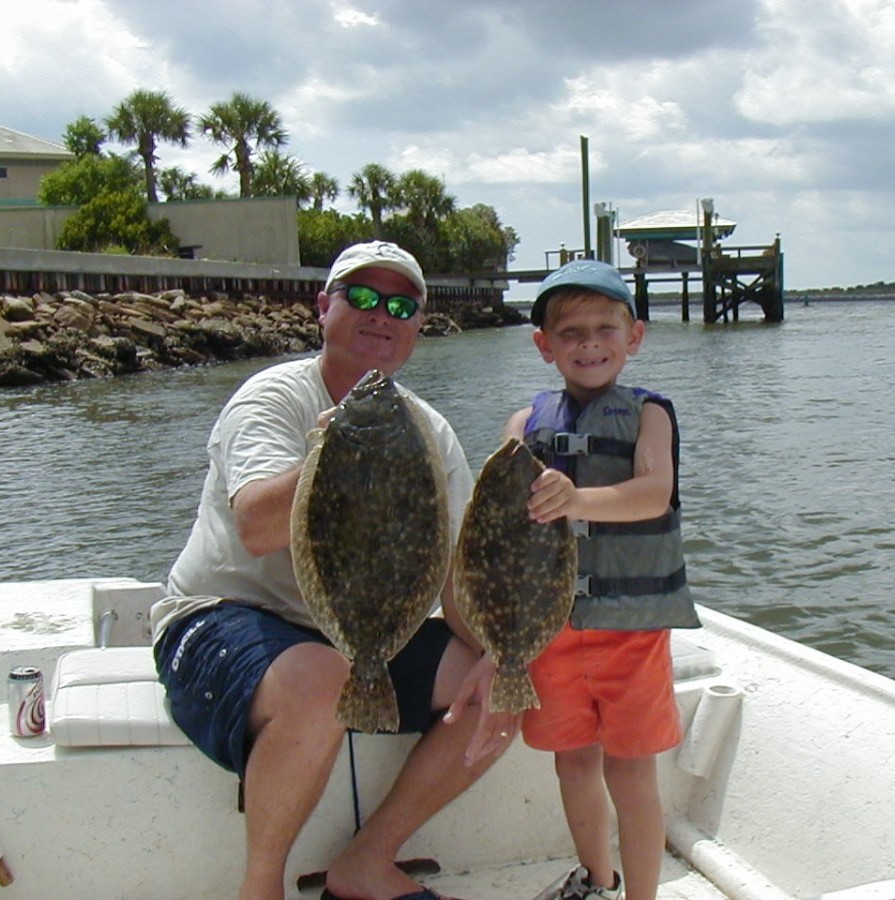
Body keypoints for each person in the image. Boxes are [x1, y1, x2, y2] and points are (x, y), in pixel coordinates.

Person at [150, 240, 516, 900]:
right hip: (224, 616)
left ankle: (366, 863)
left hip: (355, 631)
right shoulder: (273, 398)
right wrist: (332, 450)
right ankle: (260, 888)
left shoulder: (429, 432)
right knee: (324, 681)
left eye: (401, 306)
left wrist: (497, 656)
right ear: (324, 307)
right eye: (363, 297)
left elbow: (450, 571)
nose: (381, 314)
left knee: (504, 691)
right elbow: (258, 528)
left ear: (418, 326)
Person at [503, 260, 699, 900]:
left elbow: (653, 493)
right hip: (549, 629)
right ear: (544, 345)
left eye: (605, 329)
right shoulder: (523, 424)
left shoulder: (649, 415)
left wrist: (576, 500)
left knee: (632, 773)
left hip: (631, 635)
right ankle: (597, 879)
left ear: (633, 336)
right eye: (571, 332)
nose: (589, 344)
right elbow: (494, 520)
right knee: (573, 762)